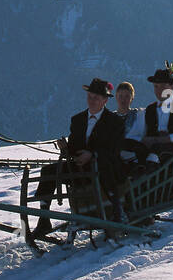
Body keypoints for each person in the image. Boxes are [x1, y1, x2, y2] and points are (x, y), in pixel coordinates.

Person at [31, 78, 126, 239]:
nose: (92, 100)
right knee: (48, 171)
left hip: (103, 165)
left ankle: (117, 212)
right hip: (80, 165)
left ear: (104, 101)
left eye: (96, 98)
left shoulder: (114, 121)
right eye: (90, 97)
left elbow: (114, 149)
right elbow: (75, 146)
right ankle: (43, 218)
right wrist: (66, 149)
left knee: (106, 167)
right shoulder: (78, 119)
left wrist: (92, 154)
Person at [124, 63, 173, 165]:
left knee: (156, 151)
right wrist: (145, 139)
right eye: (156, 86)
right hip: (151, 154)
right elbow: (135, 134)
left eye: (163, 86)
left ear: (171, 87)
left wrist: (169, 138)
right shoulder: (149, 110)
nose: (158, 90)